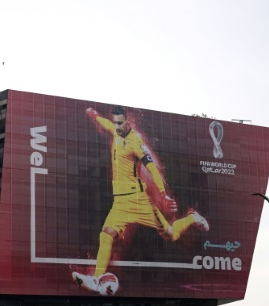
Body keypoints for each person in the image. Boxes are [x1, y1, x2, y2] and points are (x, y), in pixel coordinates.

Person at [72, 105, 208, 295]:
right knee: (106, 235)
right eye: (115, 123)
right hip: (120, 203)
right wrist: (94, 115)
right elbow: (106, 123)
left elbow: (152, 168)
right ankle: (96, 279)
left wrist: (163, 193)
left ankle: (192, 218)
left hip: (139, 201)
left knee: (170, 234)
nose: (117, 127)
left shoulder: (135, 141)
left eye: (120, 123)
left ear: (128, 121)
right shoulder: (115, 130)